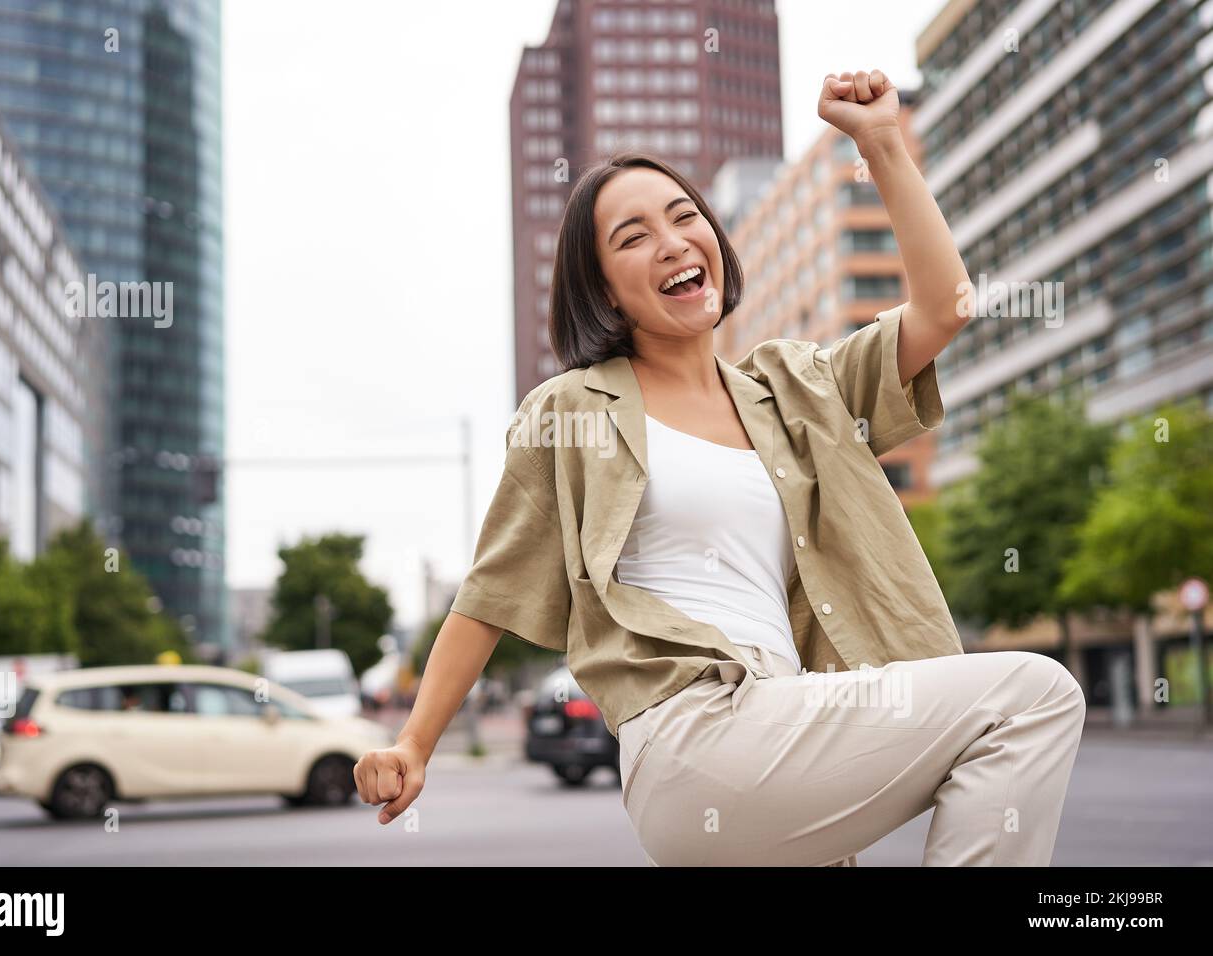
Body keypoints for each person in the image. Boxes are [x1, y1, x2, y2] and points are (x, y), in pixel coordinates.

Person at [354, 70, 1086, 866]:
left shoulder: (798, 388)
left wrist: (879, 142)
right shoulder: (572, 411)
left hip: (791, 724)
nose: (671, 241)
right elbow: (489, 593)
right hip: (696, 735)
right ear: (602, 289)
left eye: (683, 216)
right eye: (632, 238)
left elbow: (945, 307)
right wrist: (414, 742)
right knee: (1034, 697)